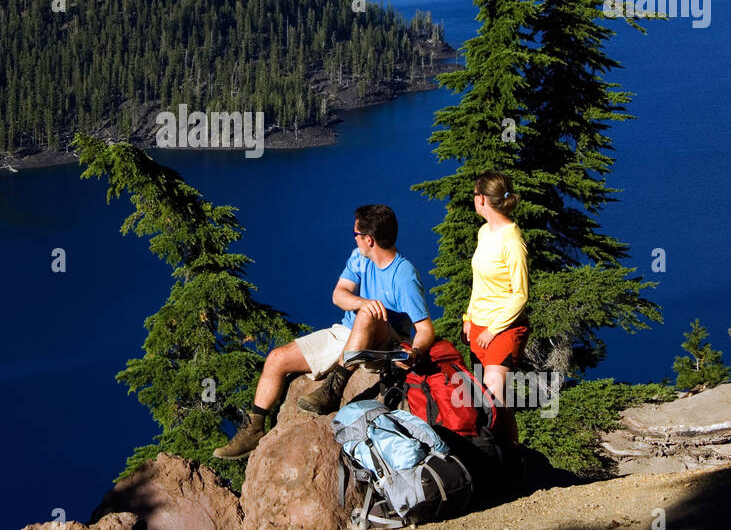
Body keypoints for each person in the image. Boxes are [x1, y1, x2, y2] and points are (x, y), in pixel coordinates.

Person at [213, 204, 436, 460]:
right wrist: (363, 302)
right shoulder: (359, 258)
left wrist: (415, 352)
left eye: (356, 234)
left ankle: (334, 388)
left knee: (366, 315)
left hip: (384, 343)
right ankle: (253, 428)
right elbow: (339, 295)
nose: (354, 239)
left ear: (369, 239)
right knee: (276, 358)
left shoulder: (404, 275)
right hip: (347, 331)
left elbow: (425, 328)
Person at [463, 171, 529, 445]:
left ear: (482, 200)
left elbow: (520, 295)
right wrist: (468, 317)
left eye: (475, 195)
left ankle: (511, 460)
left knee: (494, 399)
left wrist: (493, 329)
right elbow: (479, 282)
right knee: (483, 400)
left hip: (504, 330)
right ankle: (498, 458)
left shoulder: (512, 242)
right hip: (478, 327)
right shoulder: (484, 232)